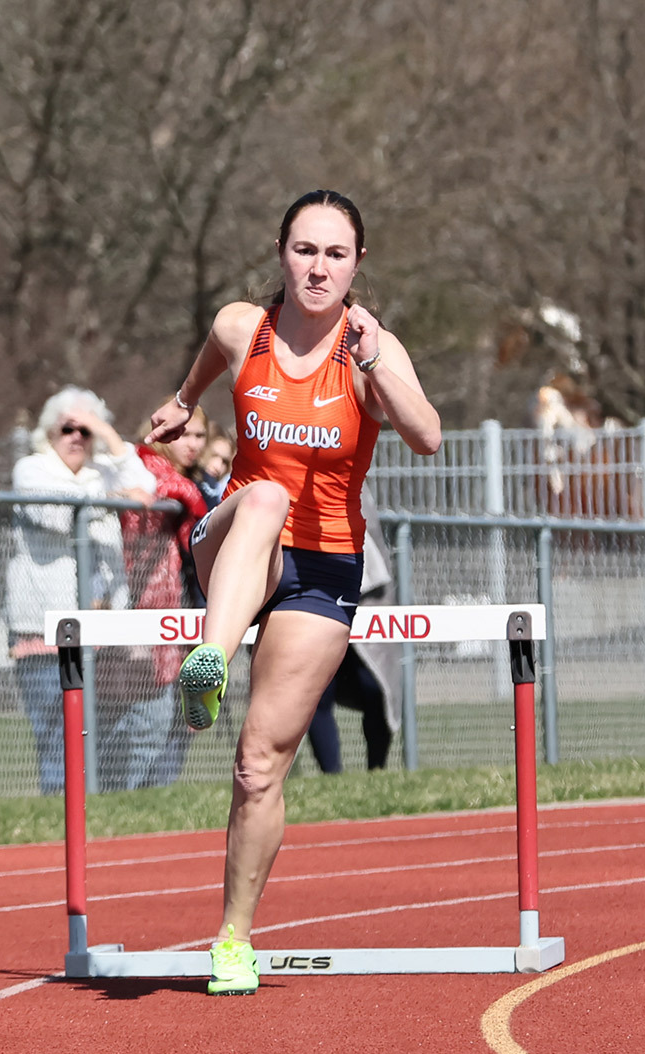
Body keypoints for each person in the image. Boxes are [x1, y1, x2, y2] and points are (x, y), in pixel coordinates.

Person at [147, 189, 441, 995]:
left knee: (257, 766)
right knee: (269, 498)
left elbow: (427, 436)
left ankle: (232, 940)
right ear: (282, 253)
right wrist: (183, 402)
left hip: (325, 567)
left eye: (335, 255)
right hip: (236, 542)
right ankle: (210, 657)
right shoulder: (244, 326)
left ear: (357, 264)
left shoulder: (370, 348)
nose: (318, 268)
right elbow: (209, 358)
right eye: (305, 250)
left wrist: (378, 362)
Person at [5, 388, 155, 794]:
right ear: (49, 433)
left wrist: (107, 435)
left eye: (84, 430)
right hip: (45, 632)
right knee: (58, 739)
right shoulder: (32, 469)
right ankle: (59, 825)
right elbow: (56, 513)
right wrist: (116, 501)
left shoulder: (101, 471)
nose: (76, 437)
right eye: (67, 428)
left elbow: (146, 487)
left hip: (102, 633)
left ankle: (96, 826)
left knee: (101, 739)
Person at [104, 397, 209, 790]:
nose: (192, 443)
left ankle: (148, 798)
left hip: (178, 612)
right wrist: (190, 494)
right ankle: (126, 799)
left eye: (200, 434)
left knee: (176, 723)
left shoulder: (192, 476)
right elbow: (153, 492)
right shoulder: (146, 463)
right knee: (145, 724)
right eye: (183, 433)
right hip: (137, 608)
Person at [305, 487, 401, 772]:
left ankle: (377, 771)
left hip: (363, 599)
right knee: (316, 690)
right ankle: (333, 777)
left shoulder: (354, 482)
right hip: (312, 598)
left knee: (376, 689)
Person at [192, 430, 235, 511]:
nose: (217, 467)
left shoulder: (220, 490)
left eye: (224, 462)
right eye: (214, 455)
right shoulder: (187, 478)